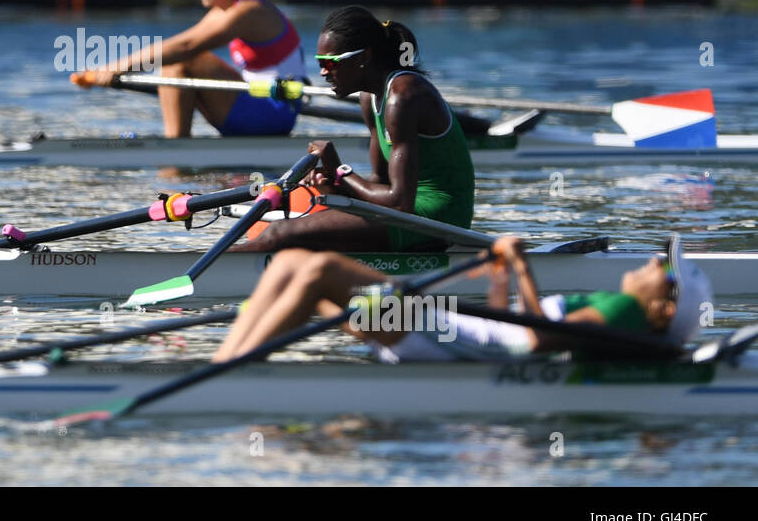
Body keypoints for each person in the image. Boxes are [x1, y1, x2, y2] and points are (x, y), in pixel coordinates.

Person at [213, 235, 712, 363]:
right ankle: (229, 363)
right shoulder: (619, 312)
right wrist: (502, 273)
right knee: (291, 263)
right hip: (452, 330)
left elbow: (538, 337)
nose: (652, 263)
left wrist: (522, 266)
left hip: (447, 338)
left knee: (316, 267)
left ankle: (225, 370)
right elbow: (516, 324)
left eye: (664, 270)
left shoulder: (625, 311)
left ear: (664, 309)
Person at [229, 5, 474, 254]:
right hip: (407, 210)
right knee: (287, 217)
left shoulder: (403, 97)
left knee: (280, 232)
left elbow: (399, 203)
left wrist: (339, 171)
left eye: (331, 63)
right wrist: (332, 183)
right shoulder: (369, 98)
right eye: (320, 63)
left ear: (364, 58)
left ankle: (197, 282)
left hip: (437, 219)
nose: (323, 72)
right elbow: (380, 183)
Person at [71, 0, 305, 137]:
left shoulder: (250, 11)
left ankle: (175, 151)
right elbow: (180, 44)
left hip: (275, 112)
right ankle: (177, 145)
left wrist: (117, 68)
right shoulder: (224, 12)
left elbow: (185, 47)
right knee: (174, 65)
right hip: (257, 102)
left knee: (180, 61)